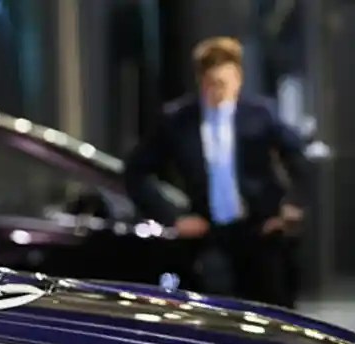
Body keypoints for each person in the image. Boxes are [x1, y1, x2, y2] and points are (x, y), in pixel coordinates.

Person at [125, 36, 311, 307]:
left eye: (226, 83)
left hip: (261, 231)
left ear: (239, 79)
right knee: (215, 312)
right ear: (201, 81)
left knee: (273, 312)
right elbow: (136, 172)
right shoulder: (178, 121)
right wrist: (174, 217)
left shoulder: (260, 114)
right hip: (208, 235)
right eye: (212, 84)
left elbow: (300, 160)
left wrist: (292, 205)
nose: (219, 91)